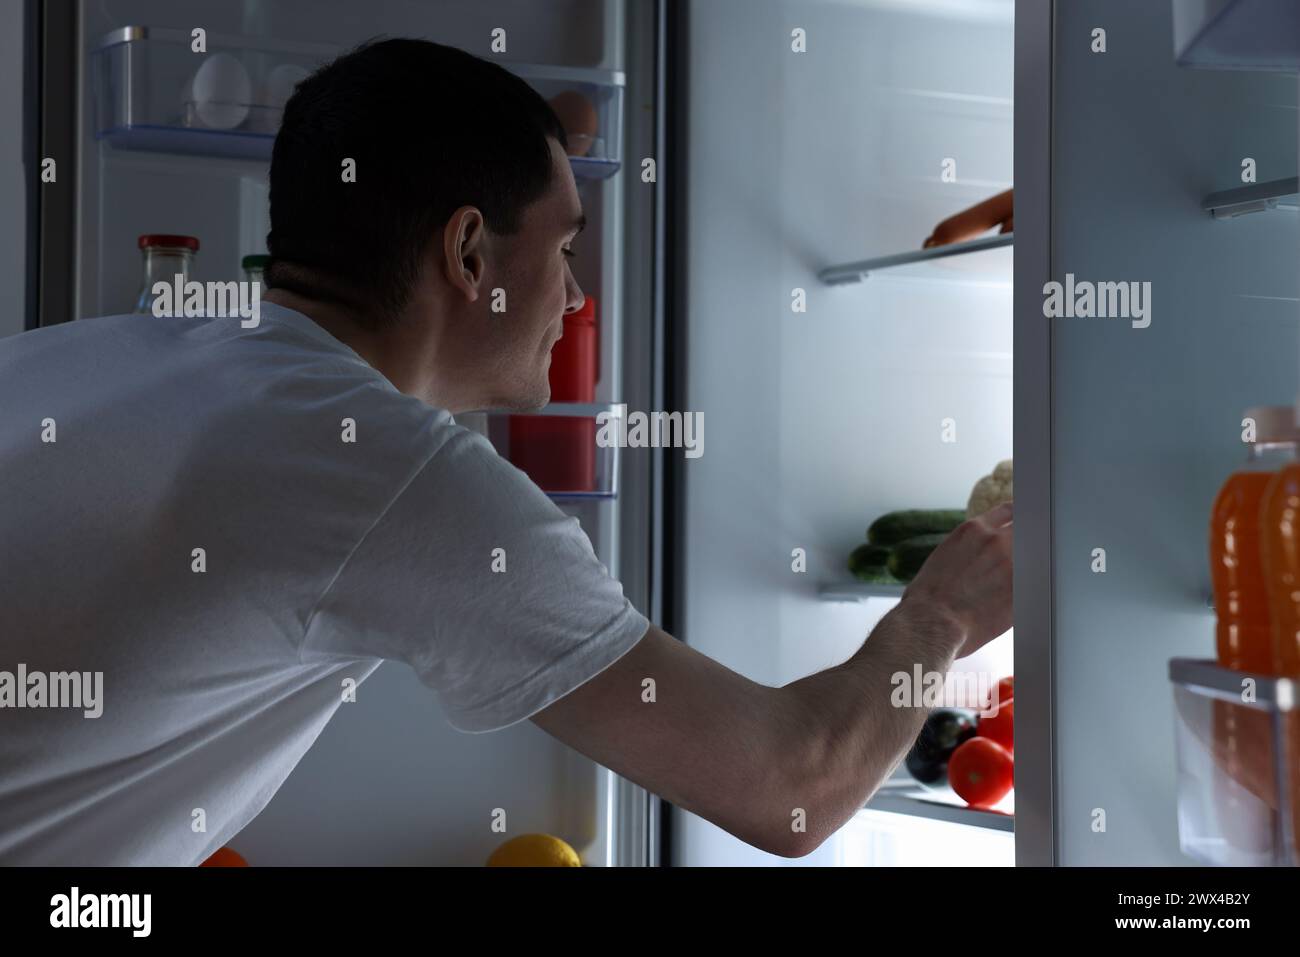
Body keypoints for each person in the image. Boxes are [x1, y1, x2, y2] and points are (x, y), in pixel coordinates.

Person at [0, 38, 1012, 865]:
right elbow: (791, 790)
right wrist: (940, 614)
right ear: (469, 253)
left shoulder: (85, 355)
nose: (573, 297)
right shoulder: (394, 472)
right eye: (564, 247)